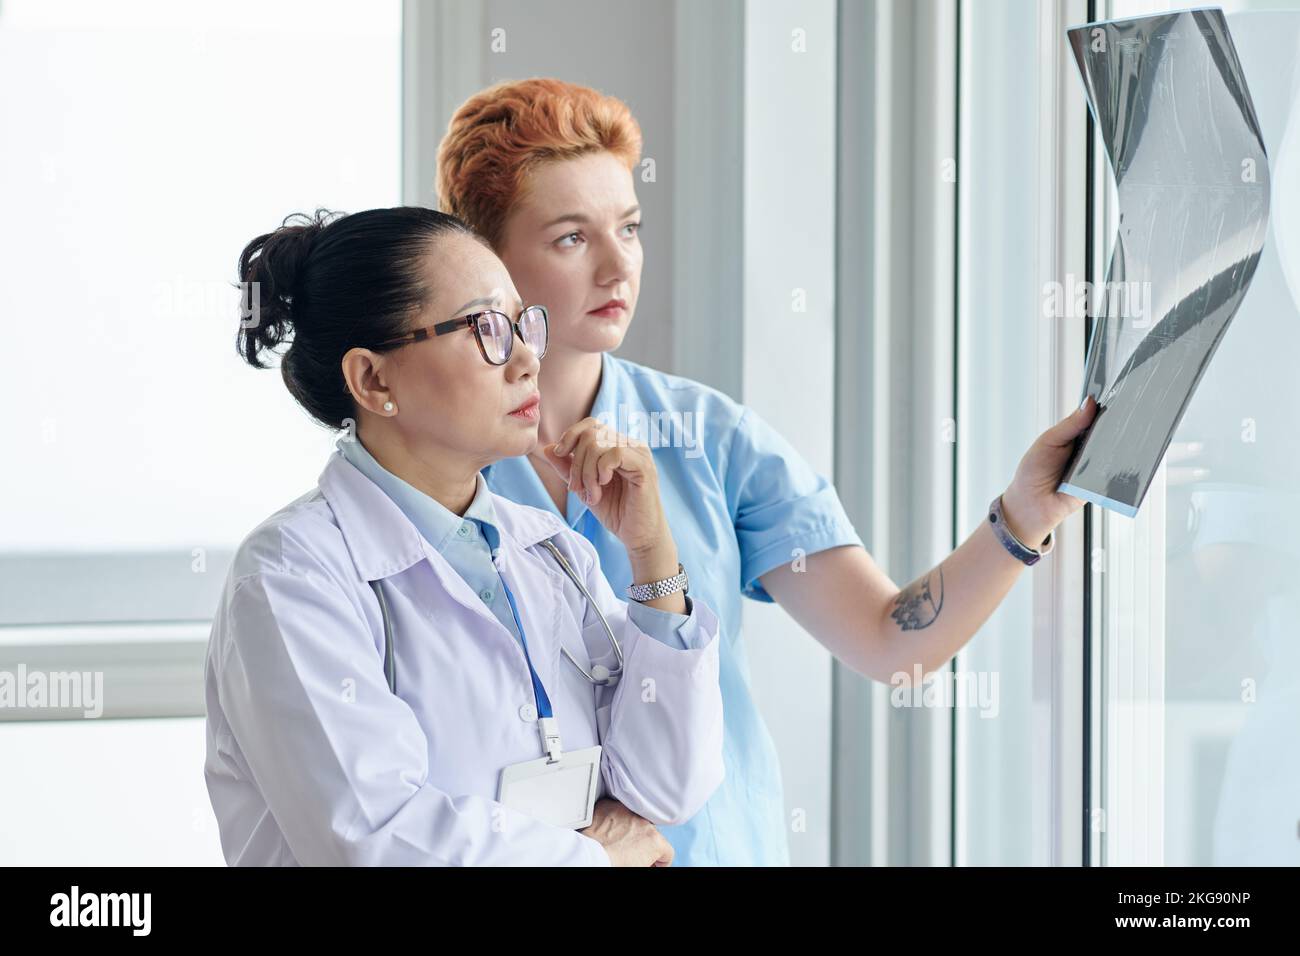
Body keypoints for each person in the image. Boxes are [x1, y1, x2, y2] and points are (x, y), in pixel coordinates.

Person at [436, 77, 1098, 865]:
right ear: (486, 262)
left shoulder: (710, 440)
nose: (619, 268)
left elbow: (892, 644)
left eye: (631, 228)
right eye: (572, 238)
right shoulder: (433, 466)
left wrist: (1024, 514)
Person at [203, 206, 725, 866]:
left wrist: (652, 555)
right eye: (487, 329)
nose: (529, 358)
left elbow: (665, 787)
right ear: (373, 379)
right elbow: (377, 840)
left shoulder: (549, 549)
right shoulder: (290, 578)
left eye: (522, 325)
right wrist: (598, 859)